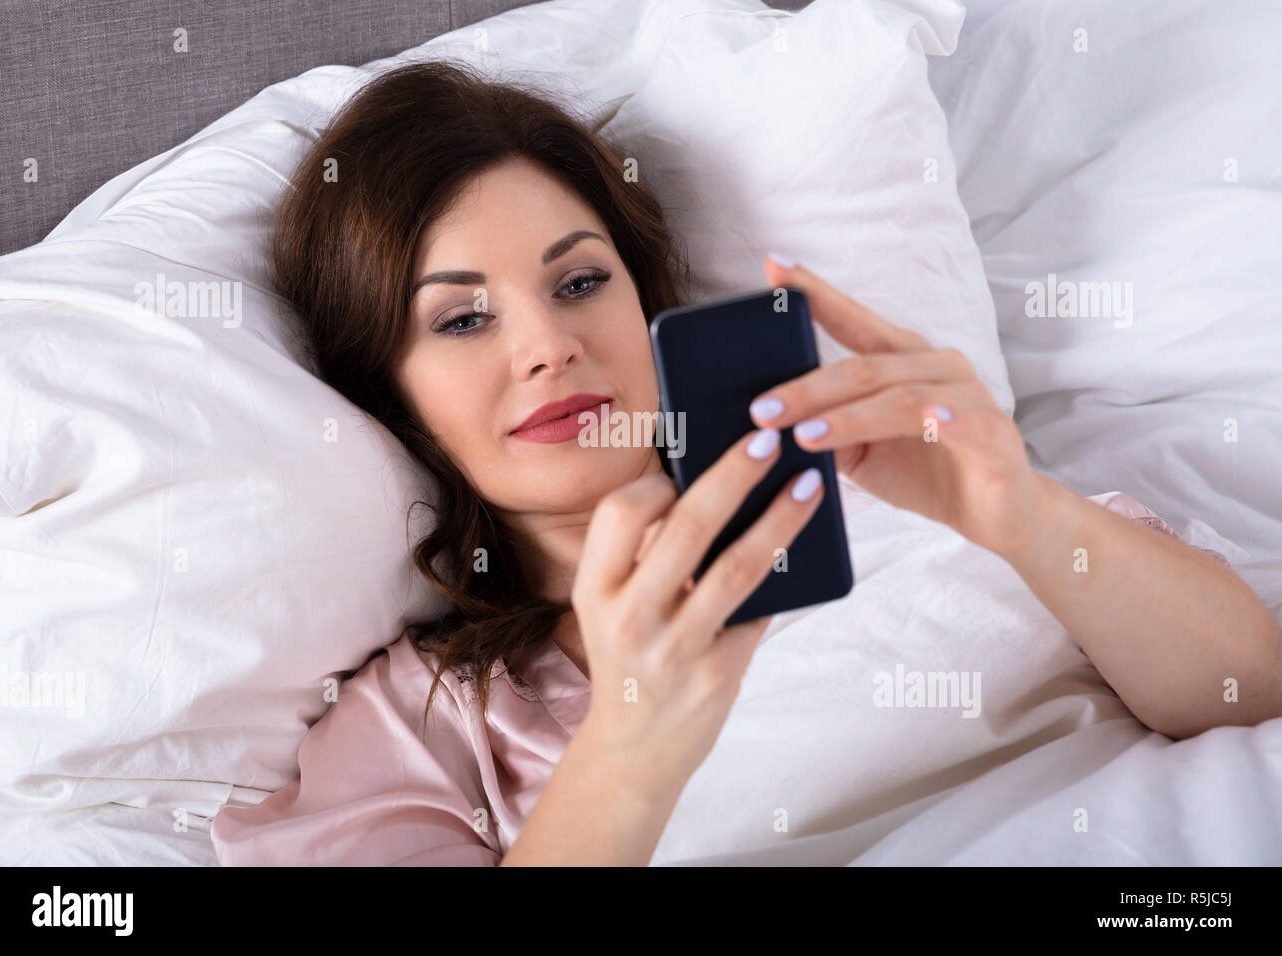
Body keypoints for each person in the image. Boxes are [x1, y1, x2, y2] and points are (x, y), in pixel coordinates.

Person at [209, 59, 1282, 866]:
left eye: (580, 281)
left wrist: (1029, 520)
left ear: (647, 302)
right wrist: (636, 734)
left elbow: (1252, 689)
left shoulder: (901, 481)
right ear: (388, 395)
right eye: (461, 319)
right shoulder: (430, 721)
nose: (545, 342)